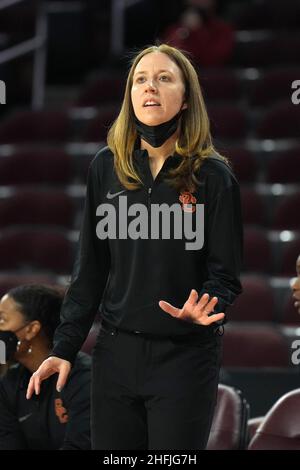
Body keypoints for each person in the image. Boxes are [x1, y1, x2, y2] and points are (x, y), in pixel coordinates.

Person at [26, 43, 243, 450]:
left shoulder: (214, 177)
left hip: (185, 355)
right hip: (115, 352)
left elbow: (225, 275)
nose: (150, 88)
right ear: (130, 96)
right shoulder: (106, 167)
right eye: (141, 80)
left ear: (185, 99)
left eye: (164, 79)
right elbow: (89, 271)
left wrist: (208, 304)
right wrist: (65, 347)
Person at [0, 284, 91, 450]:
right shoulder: (9, 383)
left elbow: (81, 446)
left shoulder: (84, 379)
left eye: (2, 320)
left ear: (31, 329)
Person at [162, 0, 234, 67]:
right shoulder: (176, 29)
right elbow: (172, 58)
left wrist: (197, 32)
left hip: (213, 77)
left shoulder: (222, 30)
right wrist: (185, 31)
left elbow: (212, 60)